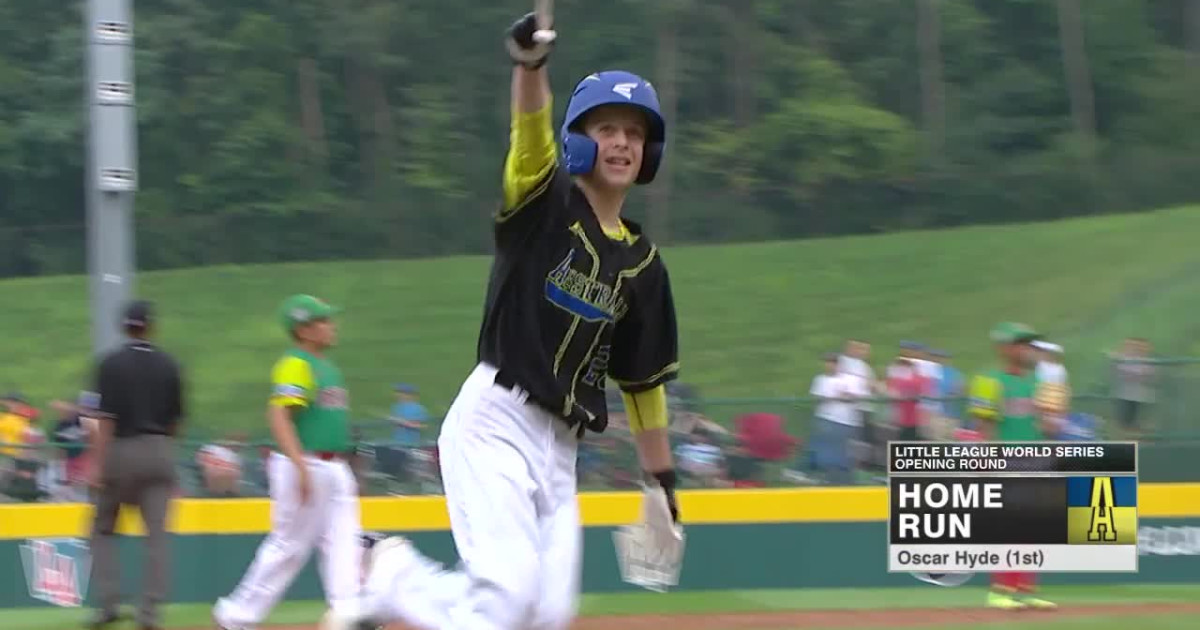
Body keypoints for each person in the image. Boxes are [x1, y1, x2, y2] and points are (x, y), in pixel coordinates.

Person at [324, 12, 682, 630]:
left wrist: (661, 479)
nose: (622, 142)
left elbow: (643, 384)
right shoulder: (542, 204)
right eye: (606, 129)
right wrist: (530, 66)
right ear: (578, 140)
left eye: (634, 132)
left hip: (561, 449)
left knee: (548, 614)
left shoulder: (644, 266)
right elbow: (530, 134)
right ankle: (392, 576)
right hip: (497, 422)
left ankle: (396, 575)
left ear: (649, 153)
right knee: (505, 601)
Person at [213, 295, 365, 630]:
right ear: (304, 330)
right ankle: (235, 617)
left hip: (335, 466)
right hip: (306, 461)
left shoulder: (327, 367)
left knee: (345, 543)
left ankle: (348, 614)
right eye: (323, 321)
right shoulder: (296, 363)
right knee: (289, 546)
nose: (331, 326)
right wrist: (299, 466)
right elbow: (279, 415)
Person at [87, 300, 186, 630]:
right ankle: (149, 614)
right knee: (156, 536)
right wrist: (165, 452)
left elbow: (105, 420)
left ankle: (109, 604)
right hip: (159, 449)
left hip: (121, 450)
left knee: (102, 528)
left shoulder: (110, 363)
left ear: (124, 326)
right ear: (152, 327)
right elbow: (176, 421)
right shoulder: (170, 364)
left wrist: (97, 465)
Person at [966, 322, 1056, 611]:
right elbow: (983, 426)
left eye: (1030, 344)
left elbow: (1045, 426)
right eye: (1022, 344)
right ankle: (1000, 590)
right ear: (1005, 348)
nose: (1028, 350)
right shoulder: (989, 381)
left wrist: (1051, 421)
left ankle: (1025, 590)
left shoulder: (1037, 382)